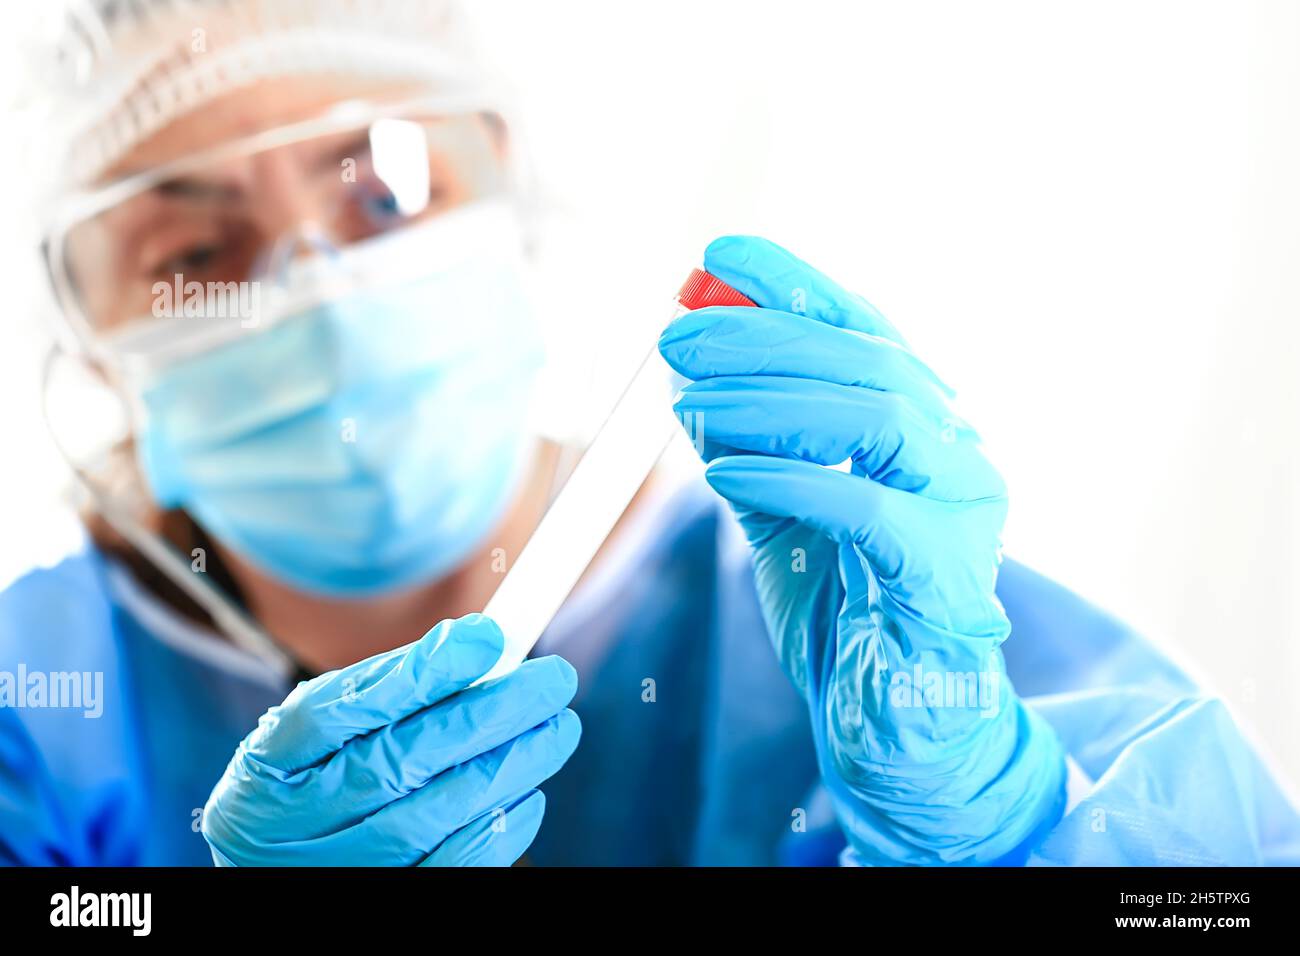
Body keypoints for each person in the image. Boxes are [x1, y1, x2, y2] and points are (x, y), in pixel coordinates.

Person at [2, 0, 1297, 867]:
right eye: (197, 252)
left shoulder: (864, 625)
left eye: (384, 188)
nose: (319, 287)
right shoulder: (39, 715)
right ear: (93, 336)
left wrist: (1011, 824)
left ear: (503, 186)